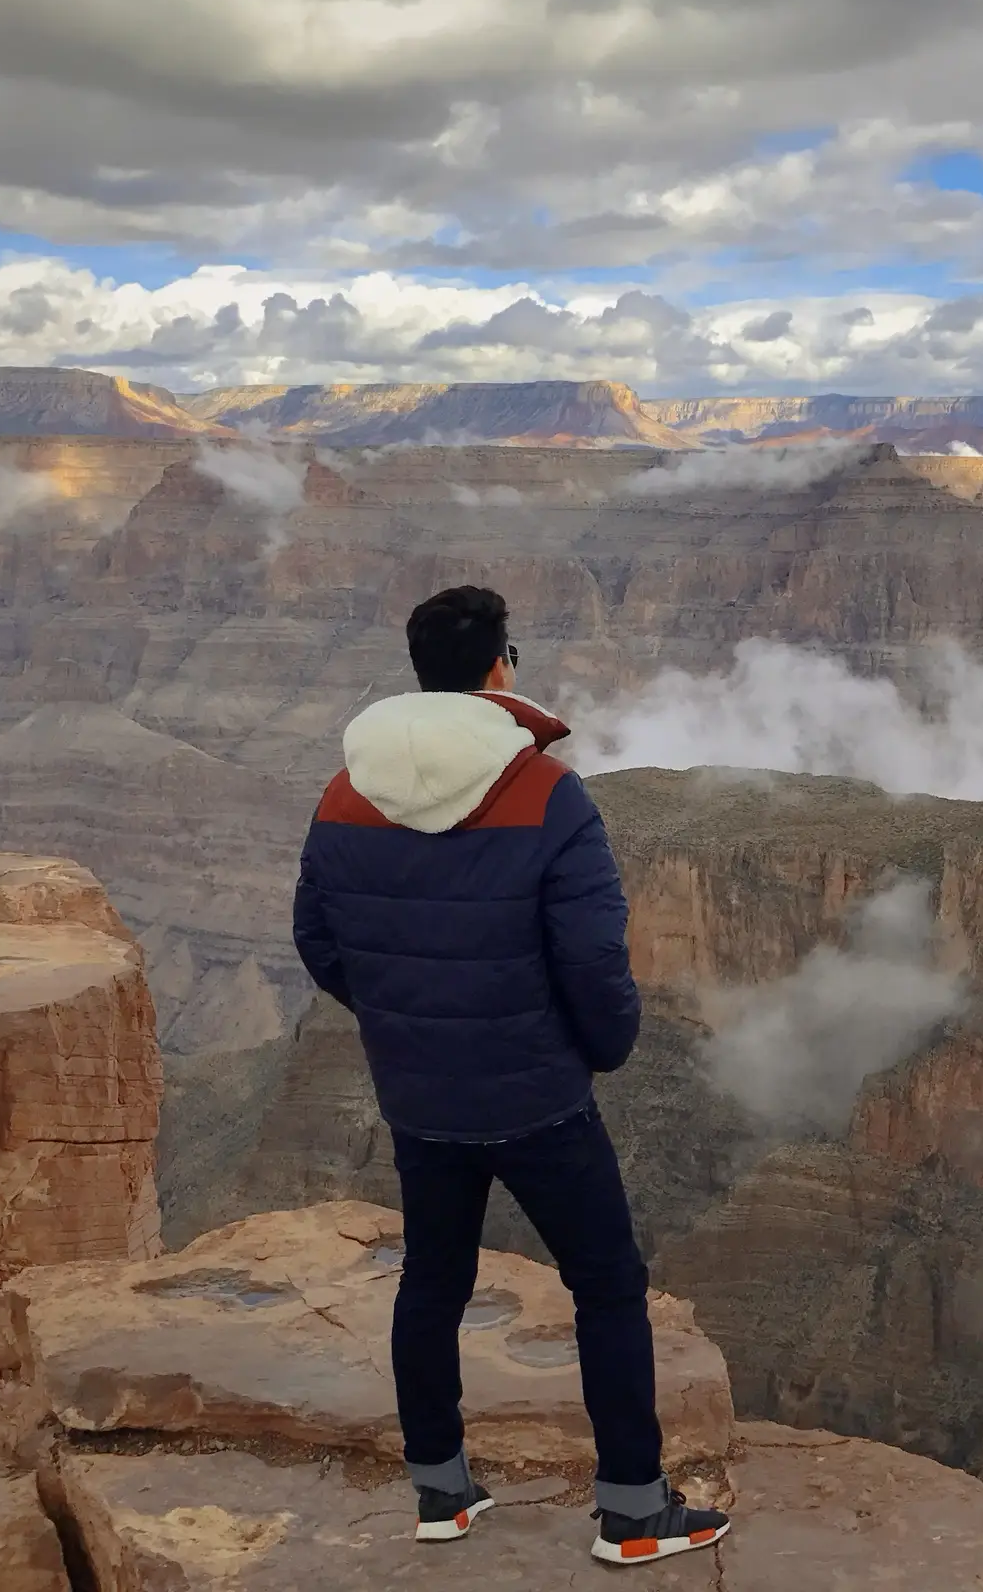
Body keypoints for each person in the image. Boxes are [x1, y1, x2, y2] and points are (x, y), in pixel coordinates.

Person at [292, 585, 731, 1566]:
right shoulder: (548, 795)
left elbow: (317, 941)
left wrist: (404, 1022)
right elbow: (591, 961)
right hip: (539, 1099)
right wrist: (602, 1048)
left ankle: (441, 1490)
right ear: (500, 669)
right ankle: (630, 1509)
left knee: (432, 1279)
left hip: (418, 1097)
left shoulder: (342, 793)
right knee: (607, 1284)